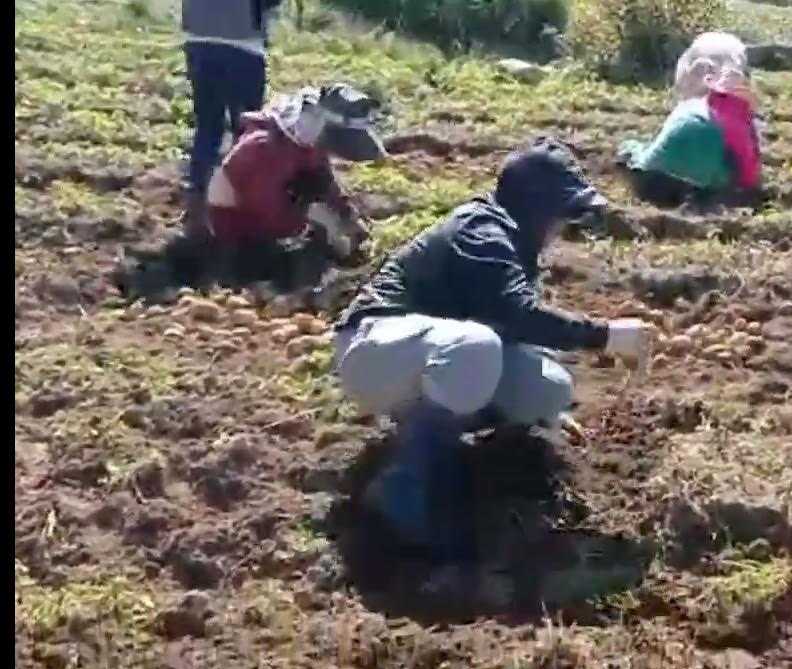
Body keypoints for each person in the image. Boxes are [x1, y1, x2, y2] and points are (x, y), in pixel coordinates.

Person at [332, 137, 654, 554]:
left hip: (427, 357)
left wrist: (550, 410)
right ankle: (403, 484)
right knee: (477, 346)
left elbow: (517, 330)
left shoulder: (512, 240)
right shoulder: (482, 232)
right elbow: (516, 315)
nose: (561, 228)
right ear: (536, 208)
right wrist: (606, 336)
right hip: (374, 351)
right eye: (560, 214)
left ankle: (460, 457)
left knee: (546, 388)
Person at [113, 83, 382, 302]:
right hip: (236, 237)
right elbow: (269, 215)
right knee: (303, 262)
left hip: (271, 221)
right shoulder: (263, 149)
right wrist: (317, 221)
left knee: (318, 244)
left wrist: (348, 216)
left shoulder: (307, 145)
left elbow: (324, 182)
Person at [618, 32, 764, 208]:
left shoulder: (690, 111)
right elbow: (749, 170)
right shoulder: (742, 118)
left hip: (657, 179)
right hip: (719, 188)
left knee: (635, 155)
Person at [181, 0, 283, 240]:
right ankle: (239, 207)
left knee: (208, 127)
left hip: (199, 39)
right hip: (244, 44)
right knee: (248, 131)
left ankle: (196, 208)